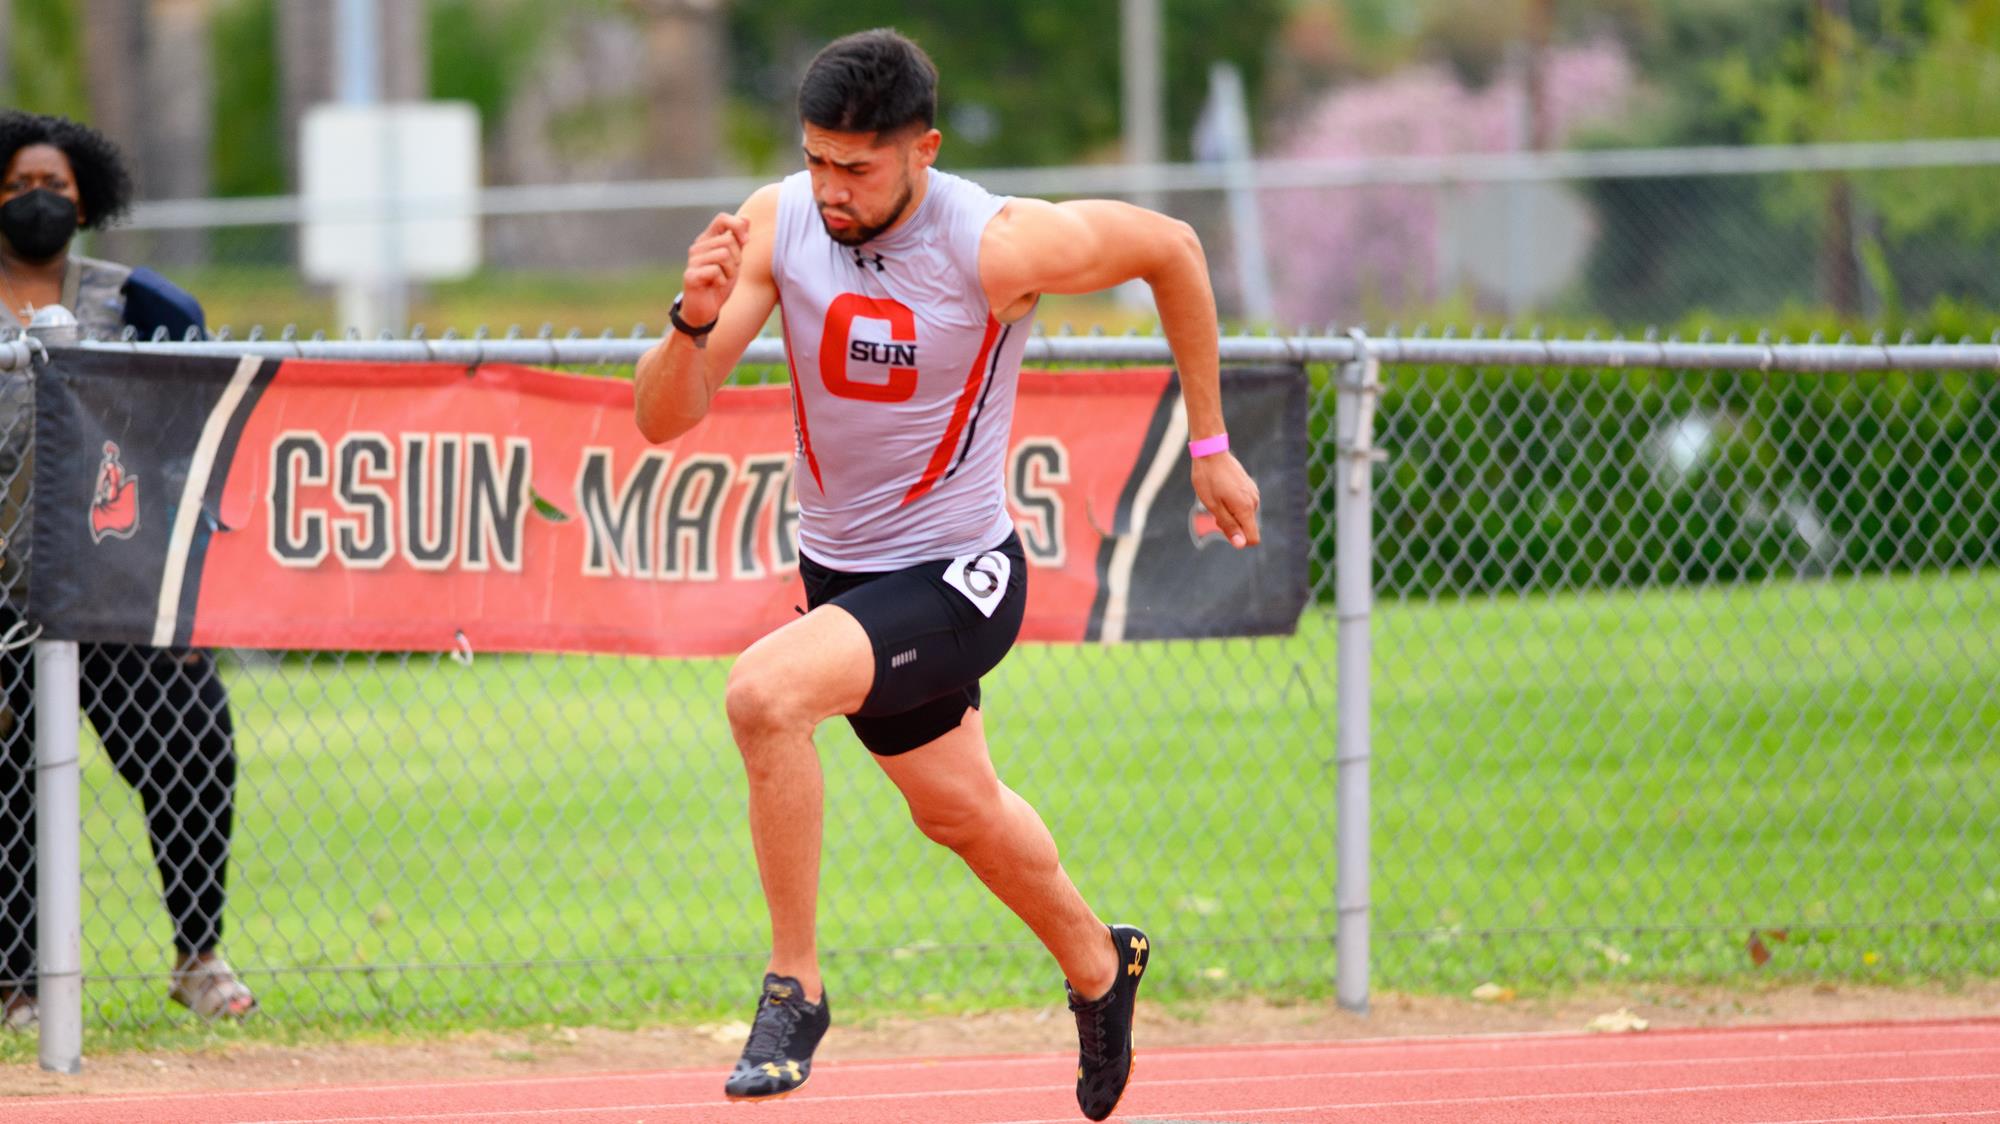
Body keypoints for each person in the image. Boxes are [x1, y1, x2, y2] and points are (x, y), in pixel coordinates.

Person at [633, 29, 1261, 1120]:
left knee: (763, 694)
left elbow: (1172, 247)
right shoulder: (779, 221)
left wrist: (1207, 447)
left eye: (856, 167)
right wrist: (689, 320)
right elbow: (662, 418)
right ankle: (1100, 965)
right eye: (815, 158)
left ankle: (796, 986)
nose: (829, 188)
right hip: (842, 580)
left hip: (959, 576)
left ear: (921, 148)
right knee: (960, 812)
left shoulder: (996, 245)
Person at [0, 110, 255, 1029]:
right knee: (9, 783)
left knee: (192, 748)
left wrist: (189, 588)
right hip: (4, 597)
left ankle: (198, 954)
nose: (40, 201)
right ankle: (18, 982)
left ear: (87, 199)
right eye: (22, 185)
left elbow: (193, 447)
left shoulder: (140, 303)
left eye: (58, 187)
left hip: (118, 586)